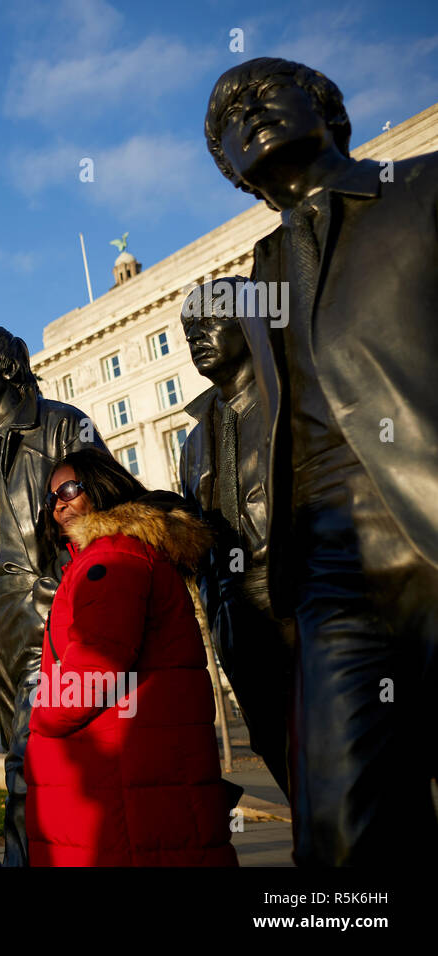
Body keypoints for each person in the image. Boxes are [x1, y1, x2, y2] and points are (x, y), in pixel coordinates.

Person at [206, 57, 438, 864]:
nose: (249, 112)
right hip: (330, 571)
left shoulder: (419, 188)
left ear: (327, 105)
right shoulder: (256, 282)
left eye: (266, 92)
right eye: (228, 117)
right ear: (233, 169)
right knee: (338, 833)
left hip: (426, 527)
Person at [25, 448, 239, 866]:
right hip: (133, 765)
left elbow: (96, 666)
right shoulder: (116, 553)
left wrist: (40, 718)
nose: (59, 505)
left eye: (69, 489)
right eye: (52, 499)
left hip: (120, 768)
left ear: (101, 487)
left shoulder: (111, 556)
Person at [0, 326, 106, 866]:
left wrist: (62, 590)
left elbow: (102, 509)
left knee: (26, 767)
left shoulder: (61, 425)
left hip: (47, 616)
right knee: (30, 766)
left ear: (6, 368)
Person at [178, 278, 294, 798]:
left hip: (297, 596)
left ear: (248, 321)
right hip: (232, 614)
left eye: (209, 321)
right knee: (280, 749)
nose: (196, 336)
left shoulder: (290, 401)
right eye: (188, 330)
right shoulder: (193, 441)